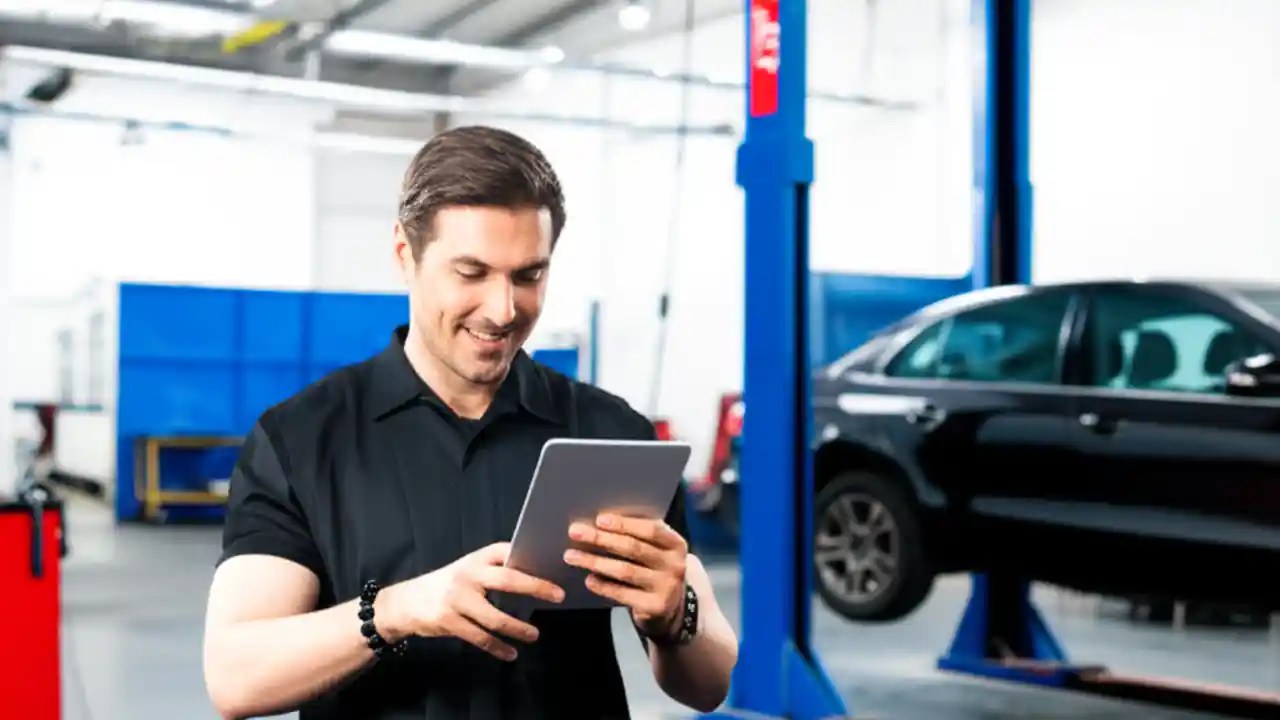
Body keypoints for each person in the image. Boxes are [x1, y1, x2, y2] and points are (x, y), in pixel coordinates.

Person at [202, 125, 739, 720]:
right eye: (471, 272)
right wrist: (395, 611)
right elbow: (236, 678)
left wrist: (675, 615)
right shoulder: (302, 440)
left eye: (528, 275)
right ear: (405, 254)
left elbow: (708, 684)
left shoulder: (611, 436)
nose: (503, 309)